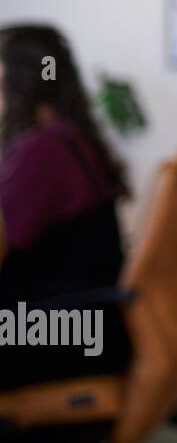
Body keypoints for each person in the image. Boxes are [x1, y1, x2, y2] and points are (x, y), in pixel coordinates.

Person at [0, 24, 132, 391]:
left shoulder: (44, 150)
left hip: (62, 330)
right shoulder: (67, 138)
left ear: (18, 79)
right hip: (87, 327)